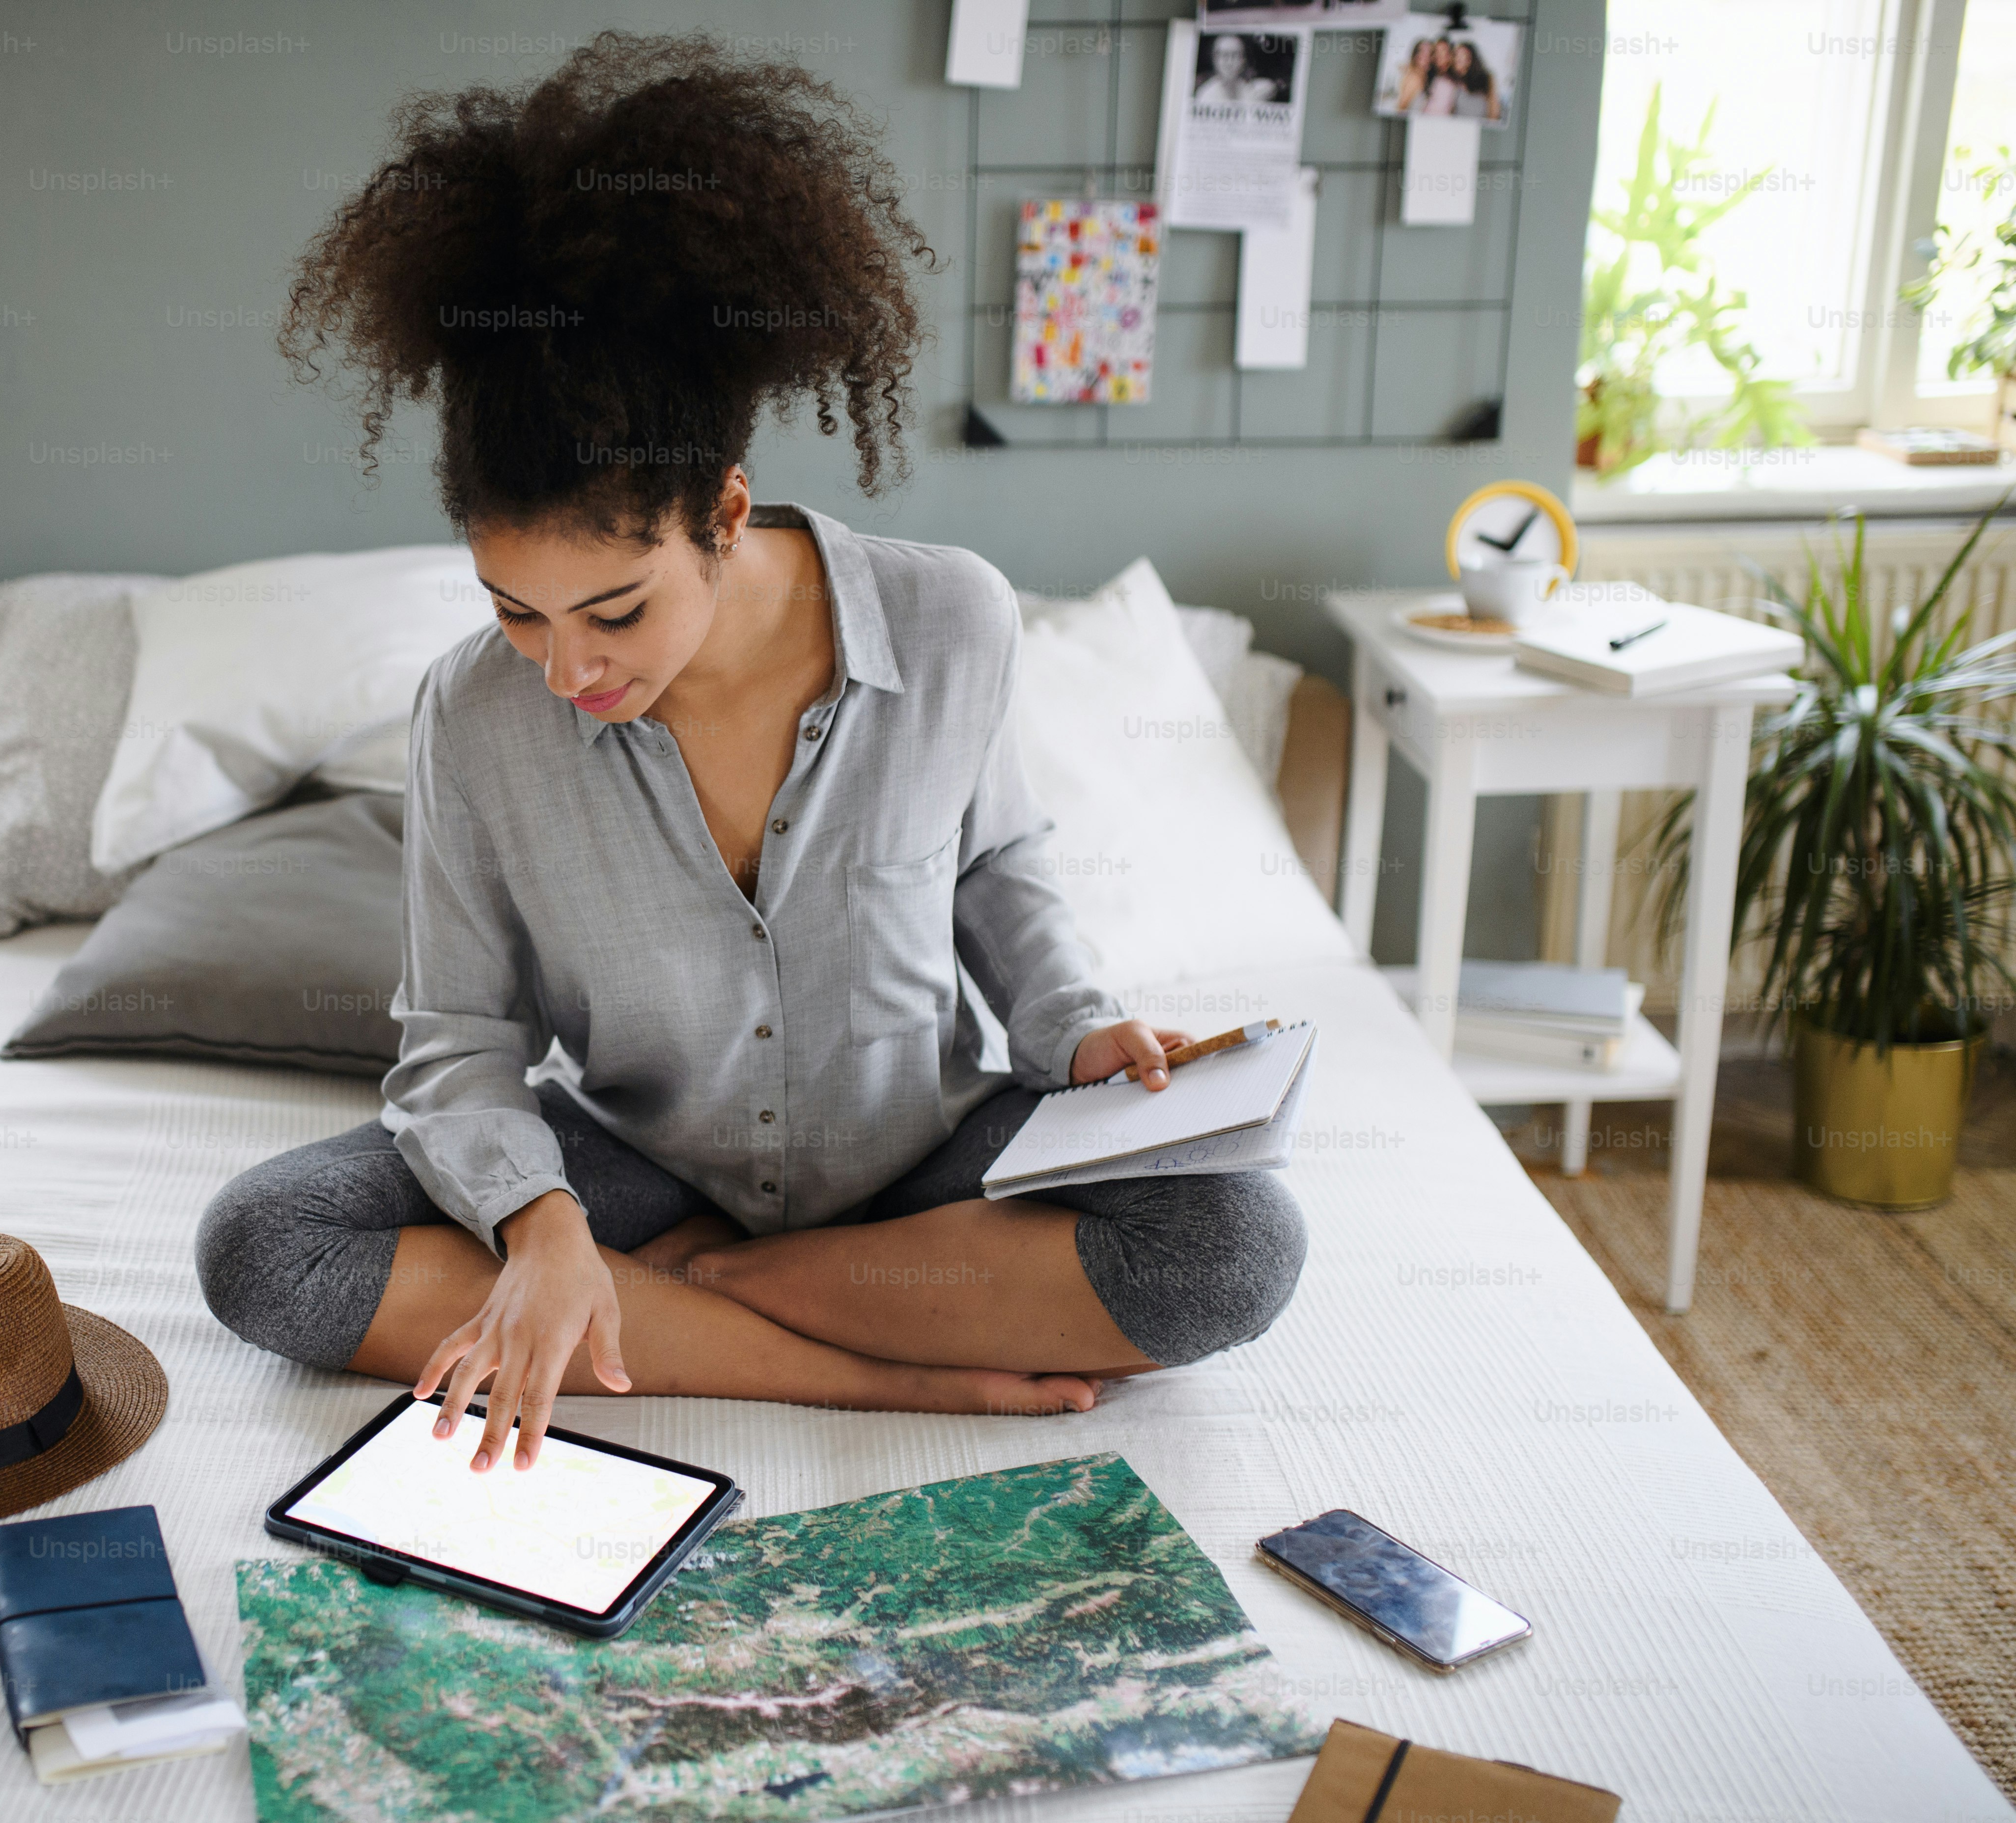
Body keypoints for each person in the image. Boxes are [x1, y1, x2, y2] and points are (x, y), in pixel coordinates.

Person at [201, 31, 1305, 1474]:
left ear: (721, 515)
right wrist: (537, 1229)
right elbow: (459, 1043)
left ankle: (711, 1291)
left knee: (1235, 1239)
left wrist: (1083, 1031)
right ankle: (867, 1373)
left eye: (612, 609)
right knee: (265, 1248)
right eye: (513, 610)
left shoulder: (948, 617)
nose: (566, 666)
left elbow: (998, 873)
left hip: (922, 1161)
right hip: (636, 1163)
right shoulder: (470, 714)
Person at [1195, 33, 1285, 105]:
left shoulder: (1258, 90)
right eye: (1224, 55)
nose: (1229, 62)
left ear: (1244, 61)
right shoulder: (1206, 94)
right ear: (1215, 59)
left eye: (1235, 55)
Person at [1389, 37, 1435, 114]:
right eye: (1422, 51)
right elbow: (1400, 109)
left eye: (1429, 52)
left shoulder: (1423, 76)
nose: (1426, 56)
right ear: (1416, 55)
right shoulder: (1415, 79)